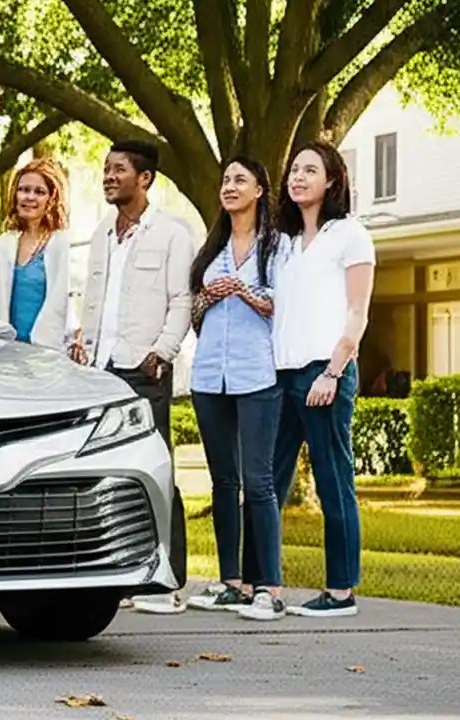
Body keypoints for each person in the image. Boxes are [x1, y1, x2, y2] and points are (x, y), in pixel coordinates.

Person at [72, 139, 195, 614]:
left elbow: (181, 299)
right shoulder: (103, 231)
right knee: (106, 474)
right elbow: (94, 298)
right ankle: (119, 574)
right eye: (105, 169)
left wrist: (161, 351)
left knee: (157, 471)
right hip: (102, 369)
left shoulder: (171, 233)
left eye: (118, 169)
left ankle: (170, 582)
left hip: (144, 369)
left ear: (144, 179)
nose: (107, 176)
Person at [270, 140, 374, 617]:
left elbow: (357, 311)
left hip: (324, 373)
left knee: (334, 480)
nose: (298, 177)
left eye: (310, 170)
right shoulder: (286, 244)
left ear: (332, 180)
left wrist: (333, 370)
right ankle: (261, 585)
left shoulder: (349, 234)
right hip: (283, 375)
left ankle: (340, 591)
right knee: (268, 480)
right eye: (294, 170)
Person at [185, 156, 287, 621]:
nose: (229, 186)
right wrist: (209, 295)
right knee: (223, 482)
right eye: (225, 179)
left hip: (257, 375)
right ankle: (232, 583)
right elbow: (196, 315)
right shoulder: (213, 247)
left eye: (239, 180)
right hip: (209, 376)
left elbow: (284, 309)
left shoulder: (278, 247)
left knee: (259, 482)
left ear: (260, 190)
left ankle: (269, 587)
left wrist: (245, 293)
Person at [0, 157, 72, 349]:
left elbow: (66, 303)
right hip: (7, 349)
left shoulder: (60, 243)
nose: (30, 197)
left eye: (39, 192)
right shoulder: (3, 244)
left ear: (52, 199)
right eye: (24, 190)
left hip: (46, 350)